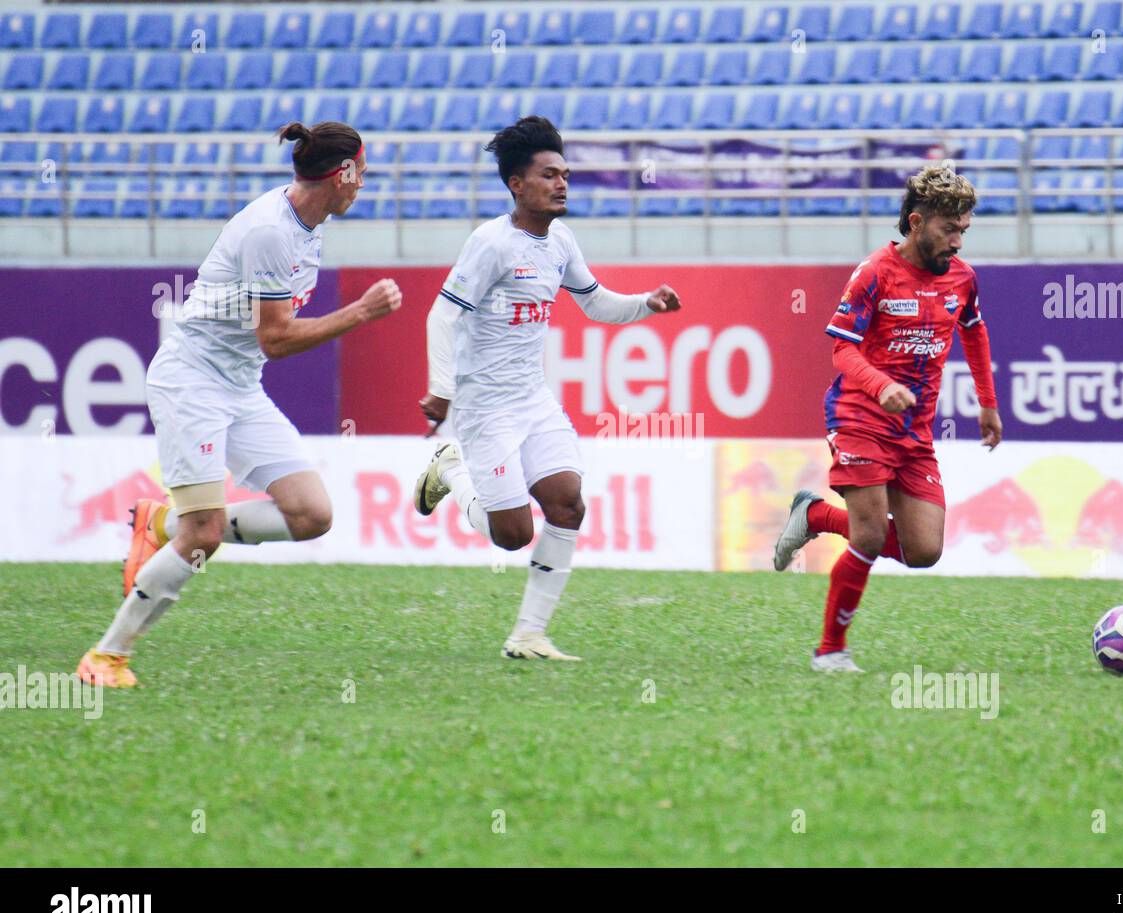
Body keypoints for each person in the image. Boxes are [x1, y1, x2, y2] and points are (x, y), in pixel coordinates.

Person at [77, 121, 403, 688]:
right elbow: (274, 338)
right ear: (342, 174)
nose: (364, 185)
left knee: (311, 515)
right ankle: (106, 657)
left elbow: (262, 344)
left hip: (238, 385)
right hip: (194, 382)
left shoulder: (308, 223)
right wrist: (359, 313)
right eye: (363, 173)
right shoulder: (270, 232)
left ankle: (161, 521)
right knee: (201, 535)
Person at [413, 116, 682, 661]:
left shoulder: (559, 239)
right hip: (485, 408)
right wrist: (441, 389)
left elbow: (594, 300)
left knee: (567, 504)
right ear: (517, 184)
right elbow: (442, 317)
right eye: (549, 175)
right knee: (510, 535)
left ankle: (529, 634)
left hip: (532, 400)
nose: (562, 184)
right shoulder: (490, 244)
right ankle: (451, 469)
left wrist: (643, 305)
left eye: (565, 174)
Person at [773, 165, 1002, 673]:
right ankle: (831, 651)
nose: (958, 242)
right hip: (858, 416)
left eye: (964, 229)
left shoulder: (962, 279)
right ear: (917, 223)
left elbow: (975, 332)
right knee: (872, 536)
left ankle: (815, 516)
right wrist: (882, 384)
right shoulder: (876, 272)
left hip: (912, 431)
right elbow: (841, 351)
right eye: (949, 230)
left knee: (925, 550)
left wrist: (988, 402)